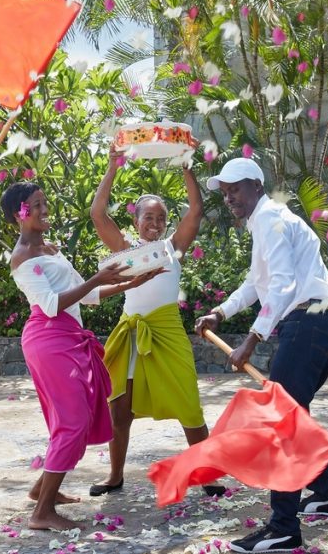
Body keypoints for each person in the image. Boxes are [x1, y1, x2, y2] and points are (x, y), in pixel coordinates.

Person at [194, 157, 328, 554]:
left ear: (257, 187)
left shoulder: (269, 218)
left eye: (236, 189)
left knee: (281, 418)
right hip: (326, 321)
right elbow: (256, 282)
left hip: (310, 321)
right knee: (293, 416)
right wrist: (221, 311)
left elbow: (281, 284)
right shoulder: (267, 221)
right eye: (226, 192)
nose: (230, 197)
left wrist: (253, 337)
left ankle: (283, 528)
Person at [3, 182, 164, 530]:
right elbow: (49, 304)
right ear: (20, 212)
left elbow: (82, 295)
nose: (45, 209)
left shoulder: (47, 249)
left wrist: (127, 285)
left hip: (68, 337)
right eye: (37, 204)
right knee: (73, 422)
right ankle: (42, 513)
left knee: (74, 418)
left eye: (45, 202)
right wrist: (95, 279)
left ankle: (41, 489)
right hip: (49, 339)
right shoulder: (22, 257)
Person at [87, 147, 224, 498]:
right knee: (120, 410)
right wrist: (112, 167)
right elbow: (98, 213)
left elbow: (196, 209)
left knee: (189, 405)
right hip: (131, 333)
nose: (155, 223)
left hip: (167, 333)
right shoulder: (125, 248)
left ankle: (206, 475)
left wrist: (185, 164)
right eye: (148, 217)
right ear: (136, 222)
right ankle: (115, 476)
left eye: (161, 218)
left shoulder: (173, 249)